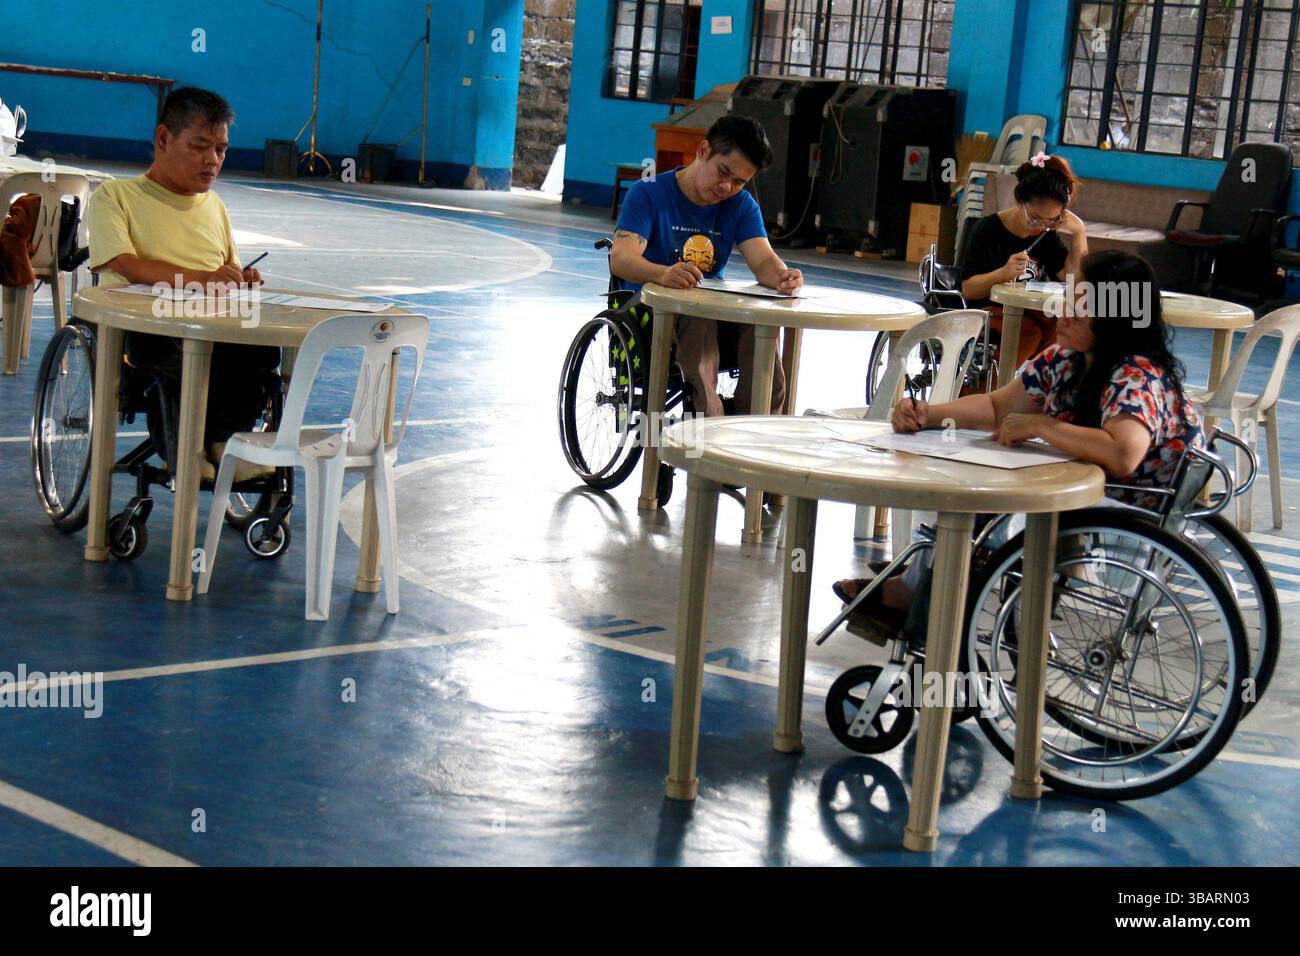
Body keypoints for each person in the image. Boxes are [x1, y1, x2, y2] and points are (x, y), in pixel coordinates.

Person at [835, 250, 1202, 645]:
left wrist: (1043, 426)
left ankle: (920, 595)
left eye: (1082, 306)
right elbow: (997, 407)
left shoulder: (1136, 375)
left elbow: (1122, 452)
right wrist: (927, 413)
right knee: (981, 489)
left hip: (1125, 521)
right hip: (1087, 500)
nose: (1064, 312)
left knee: (983, 504)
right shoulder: (1069, 359)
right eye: (1068, 298)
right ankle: (923, 577)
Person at [87, 86, 275, 481]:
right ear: (163, 138)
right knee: (174, 353)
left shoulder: (215, 207)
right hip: (145, 326)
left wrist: (241, 279)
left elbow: (230, 270)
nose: (213, 160)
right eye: (200, 146)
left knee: (259, 348)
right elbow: (129, 266)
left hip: (211, 322)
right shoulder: (115, 197)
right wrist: (203, 281)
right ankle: (182, 447)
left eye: (221, 149)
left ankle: (225, 441)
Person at [610, 114, 803, 419]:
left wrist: (782, 276)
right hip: (650, 312)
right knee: (697, 319)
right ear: (703, 152)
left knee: (762, 322)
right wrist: (662, 273)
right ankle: (709, 426)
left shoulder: (741, 206)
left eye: (740, 181)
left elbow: (764, 260)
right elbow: (621, 258)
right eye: (723, 172)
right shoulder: (648, 193)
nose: (727, 186)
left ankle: (759, 427)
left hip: (709, 311)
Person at [960, 152, 1089, 372]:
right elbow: (968, 289)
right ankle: (985, 391)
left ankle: (1045, 392)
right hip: (988, 313)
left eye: (1052, 220)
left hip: (1029, 311)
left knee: (1067, 329)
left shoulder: (1045, 234)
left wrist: (1079, 234)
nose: (1041, 226)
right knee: (1027, 330)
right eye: (1035, 217)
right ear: (1018, 202)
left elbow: (1073, 279)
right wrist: (1002, 273)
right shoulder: (988, 230)